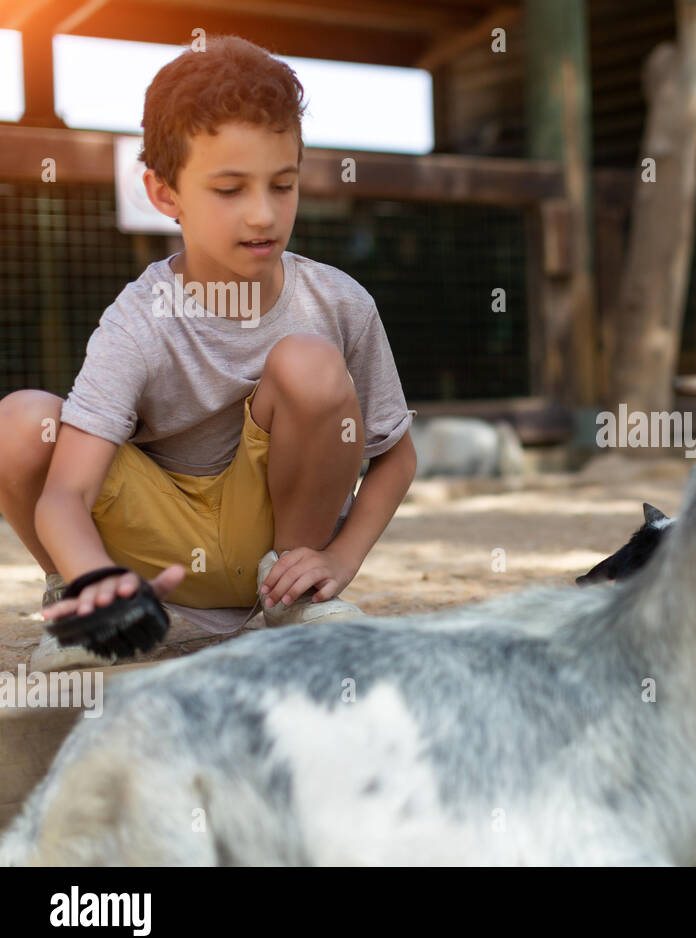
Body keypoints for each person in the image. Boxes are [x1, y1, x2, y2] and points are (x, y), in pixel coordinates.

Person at [0, 36, 417, 670]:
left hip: (270, 547)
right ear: (165, 195)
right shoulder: (139, 318)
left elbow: (395, 456)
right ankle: (87, 612)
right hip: (151, 555)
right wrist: (92, 577)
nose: (263, 214)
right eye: (230, 189)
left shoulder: (339, 302)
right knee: (20, 421)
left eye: (283, 184)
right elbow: (63, 496)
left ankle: (292, 601)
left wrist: (338, 558)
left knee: (307, 362)